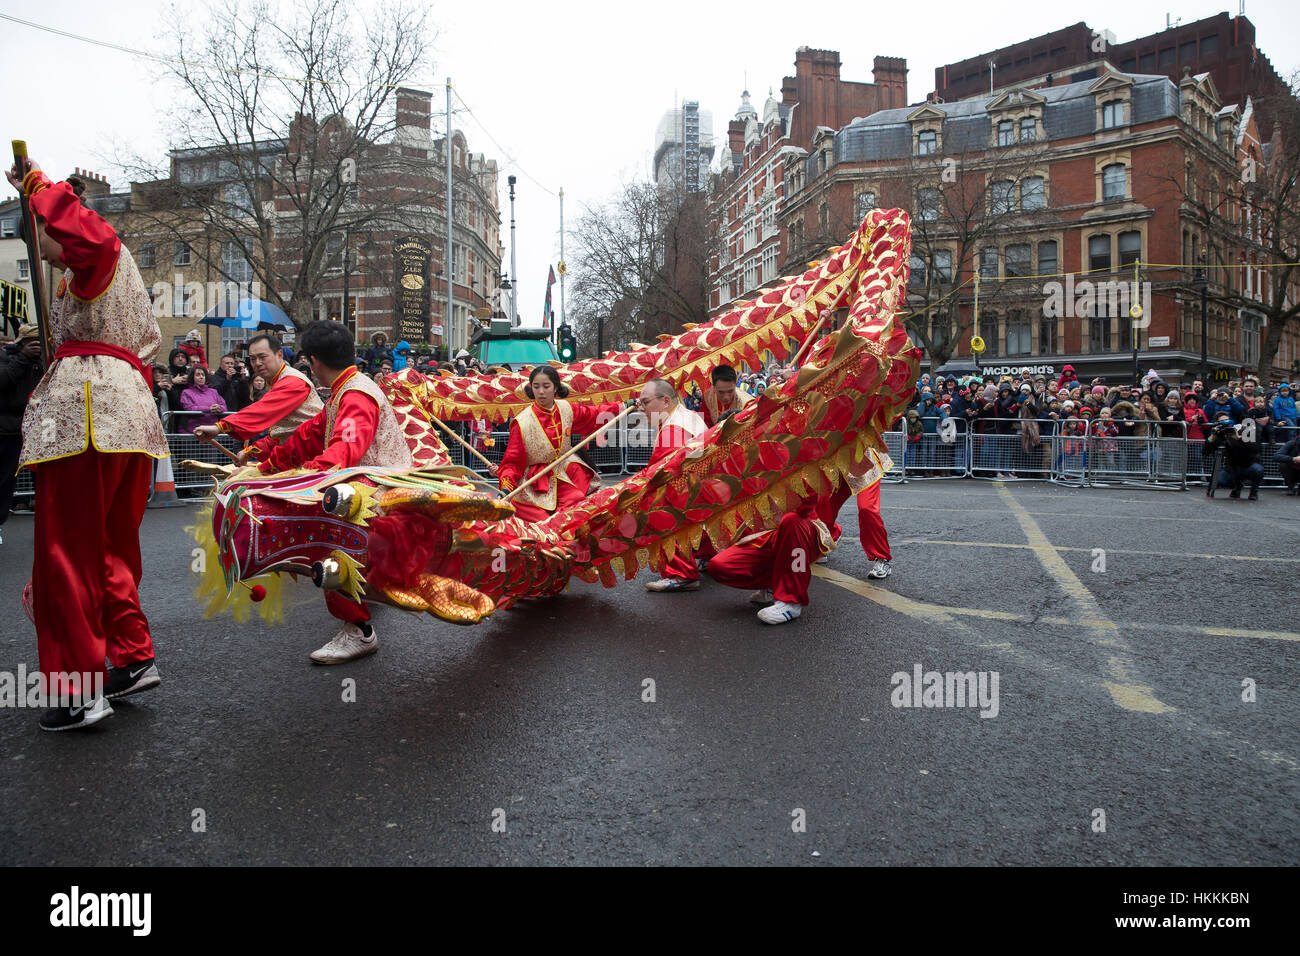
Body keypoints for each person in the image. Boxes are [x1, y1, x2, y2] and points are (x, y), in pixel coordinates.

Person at [7, 155, 170, 730]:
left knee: (66, 553)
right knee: (110, 548)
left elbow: (89, 235)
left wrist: (38, 187)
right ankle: (129, 655)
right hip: (127, 415)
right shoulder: (114, 278)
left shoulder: (99, 257)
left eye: (42, 232)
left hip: (85, 417)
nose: (43, 247)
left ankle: (78, 690)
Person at [255, 320, 414, 663]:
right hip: (364, 491)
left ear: (313, 361)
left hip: (379, 496)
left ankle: (358, 630)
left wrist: (302, 478)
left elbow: (345, 449)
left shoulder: (356, 393)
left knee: (325, 531)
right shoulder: (343, 392)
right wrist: (262, 463)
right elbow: (307, 436)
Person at [495, 365, 623, 525]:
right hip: (533, 482)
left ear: (555, 387)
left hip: (564, 472)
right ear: (531, 388)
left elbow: (594, 414)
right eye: (536, 387)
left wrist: (624, 406)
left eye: (546, 386)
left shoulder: (566, 409)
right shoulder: (521, 422)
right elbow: (512, 461)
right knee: (543, 523)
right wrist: (506, 489)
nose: (541, 392)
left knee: (577, 506)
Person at [193, 333, 323, 464]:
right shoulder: (278, 380)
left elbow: (262, 411)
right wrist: (248, 452)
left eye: (262, 357)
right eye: (253, 359)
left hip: (315, 458)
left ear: (279, 355)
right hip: (301, 454)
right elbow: (282, 434)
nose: (257, 363)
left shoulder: (293, 381)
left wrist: (219, 427)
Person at [638, 378, 709, 592]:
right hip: (706, 488)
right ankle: (703, 556)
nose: (641, 409)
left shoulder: (674, 429)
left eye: (645, 402)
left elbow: (659, 474)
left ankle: (682, 573)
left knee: (652, 505)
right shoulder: (686, 415)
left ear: (665, 401)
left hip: (692, 494)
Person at [0, 324, 45, 540]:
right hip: (10, 429)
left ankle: (49, 524)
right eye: (32, 343)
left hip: (42, 429)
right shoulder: (7, 357)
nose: (36, 347)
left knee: (46, 479)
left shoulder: (48, 361)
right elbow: (3, 382)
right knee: (4, 481)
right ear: (23, 343)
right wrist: (23, 358)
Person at [1203, 413, 1263, 500]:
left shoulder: (1242, 429)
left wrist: (1240, 438)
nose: (1226, 423)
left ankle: (1253, 491)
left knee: (1258, 470)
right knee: (1220, 480)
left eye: (1227, 420)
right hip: (1231, 467)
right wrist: (1212, 437)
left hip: (1247, 464)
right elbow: (1206, 452)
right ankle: (1236, 487)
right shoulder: (1220, 434)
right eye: (1222, 421)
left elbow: (1256, 448)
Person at [178, 365, 226, 430]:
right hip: (194, 430)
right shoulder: (186, 392)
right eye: (198, 375)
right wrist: (209, 409)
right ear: (192, 377)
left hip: (212, 429)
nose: (201, 377)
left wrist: (219, 408)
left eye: (203, 375)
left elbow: (224, 406)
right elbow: (189, 408)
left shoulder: (213, 392)